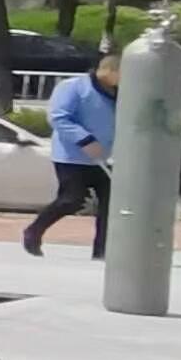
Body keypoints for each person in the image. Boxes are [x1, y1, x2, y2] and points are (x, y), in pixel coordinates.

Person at [28, 56, 116, 259]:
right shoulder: (74, 87)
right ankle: (34, 231)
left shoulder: (120, 92)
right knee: (72, 199)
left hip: (106, 157)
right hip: (72, 156)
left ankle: (102, 251)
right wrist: (85, 140)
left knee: (111, 205)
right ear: (109, 70)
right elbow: (58, 117)